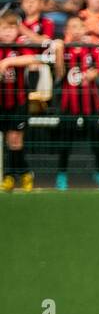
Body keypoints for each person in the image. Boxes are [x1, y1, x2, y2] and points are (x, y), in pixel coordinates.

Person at [54, 14, 99, 192]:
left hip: (91, 103)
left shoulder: (91, 48)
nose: (76, 30)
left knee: (97, 140)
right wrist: (59, 52)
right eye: (72, 27)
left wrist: (91, 74)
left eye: (79, 27)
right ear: (67, 31)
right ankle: (61, 175)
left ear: (84, 29)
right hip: (68, 103)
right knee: (65, 141)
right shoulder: (63, 48)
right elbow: (60, 74)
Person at [0, 11, 40, 191]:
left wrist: (8, 62)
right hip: (2, 102)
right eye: (3, 29)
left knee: (16, 140)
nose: (8, 32)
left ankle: (22, 174)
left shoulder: (20, 44)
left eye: (11, 28)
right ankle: (11, 175)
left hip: (19, 100)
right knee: (9, 141)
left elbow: (33, 58)